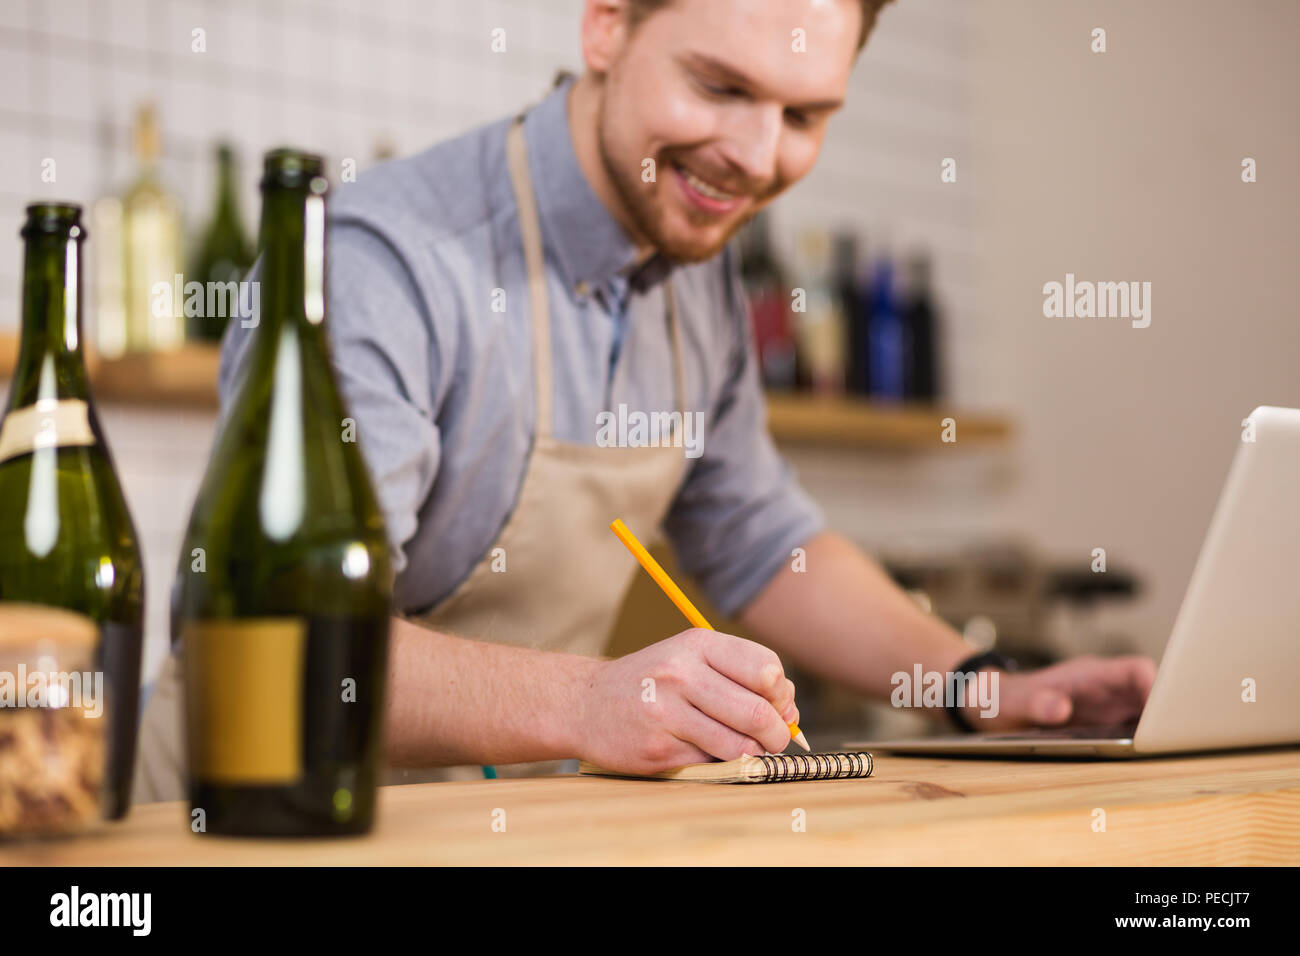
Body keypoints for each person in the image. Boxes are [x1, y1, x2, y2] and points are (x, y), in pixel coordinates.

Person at [134, 0, 1154, 801]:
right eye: (720, 86)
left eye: (803, 116)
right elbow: (279, 641)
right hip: (256, 814)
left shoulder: (692, 263)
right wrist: (588, 698)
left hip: (491, 823)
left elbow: (759, 539)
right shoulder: (384, 265)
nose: (757, 158)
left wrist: (979, 686)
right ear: (605, 23)